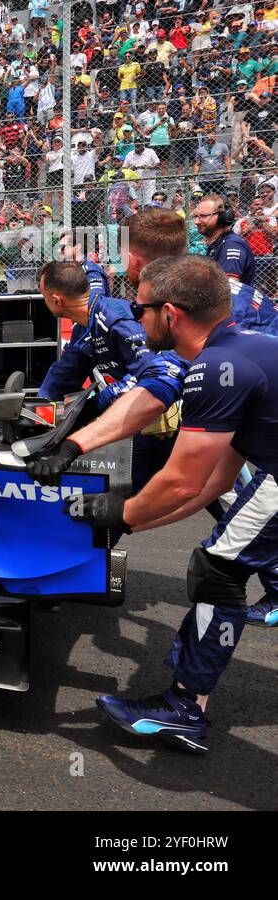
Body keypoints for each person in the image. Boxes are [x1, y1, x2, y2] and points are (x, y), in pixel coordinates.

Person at [71, 256, 278, 753]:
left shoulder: (217, 366)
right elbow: (217, 478)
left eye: (140, 308)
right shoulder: (245, 347)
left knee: (218, 570)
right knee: (221, 558)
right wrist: (140, 522)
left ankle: (184, 709)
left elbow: (182, 480)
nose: (135, 318)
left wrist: (120, 514)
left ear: (170, 314)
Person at [34, 260, 186, 488]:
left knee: (175, 485)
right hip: (149, 417)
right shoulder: (87, 322)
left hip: (174, 413)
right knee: (162, 485)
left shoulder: (116, 320)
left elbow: (153, 372)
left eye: (43, 294)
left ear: (56, 300)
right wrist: (43, 410)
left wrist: (97, 404)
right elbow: (65, 372)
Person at [194, 195, 256, 285]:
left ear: (223, 217)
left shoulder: (231, 245)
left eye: (203, 216)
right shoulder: (218, 243)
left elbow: (228, 290)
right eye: (196, 216)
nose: (197, 221)